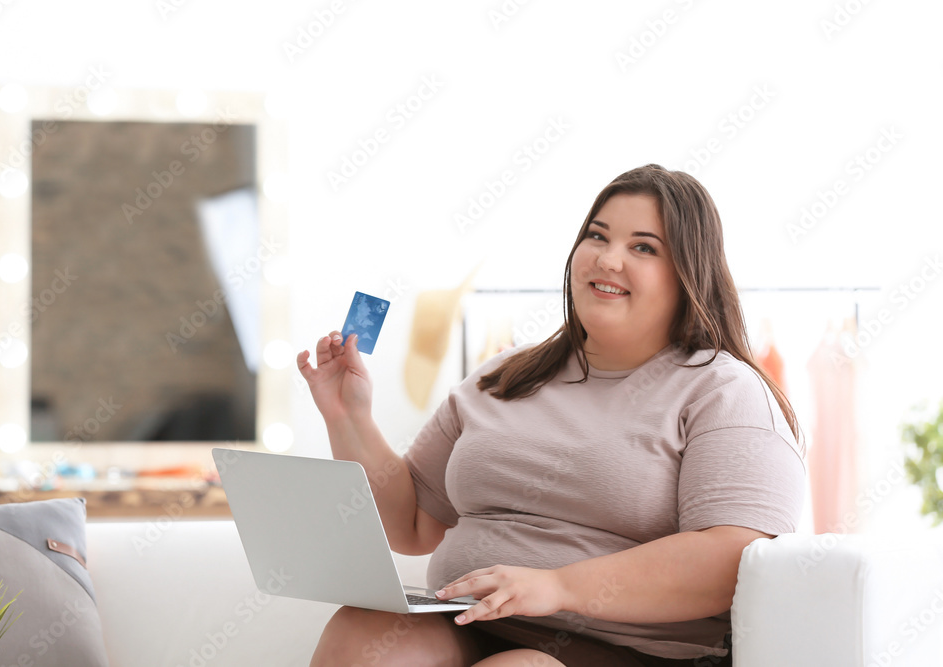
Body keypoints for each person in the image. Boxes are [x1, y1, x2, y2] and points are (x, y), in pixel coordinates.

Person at [297, 164, 807, 666]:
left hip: (627, 650)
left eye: (643, 247)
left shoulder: (724, 390)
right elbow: (411, 524)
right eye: (597, 236)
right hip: (473, 622)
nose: (608, 259)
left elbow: (731, 559)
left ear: (688, 275)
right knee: (360, 628)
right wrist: (349, 417)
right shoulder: (502, 377)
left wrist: (558, 586)